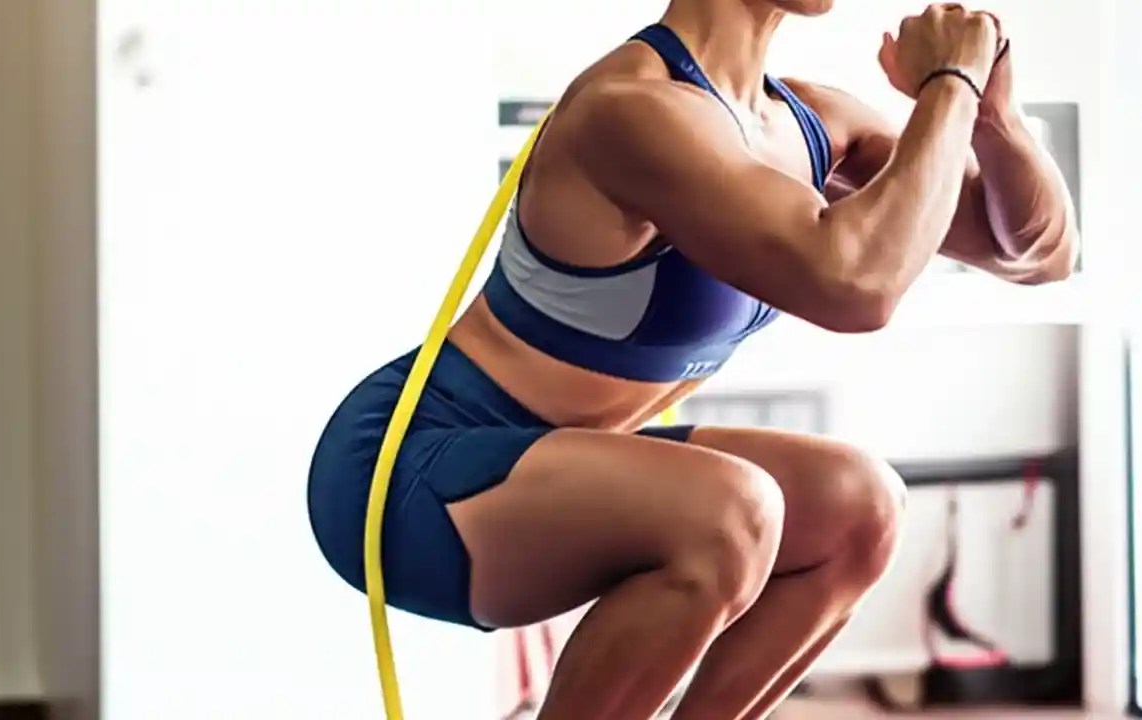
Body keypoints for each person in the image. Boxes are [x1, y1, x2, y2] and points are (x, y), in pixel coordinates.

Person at [307, 0, 1078, 717]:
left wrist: (992, 115)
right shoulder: (630, 110)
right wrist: (949, 85)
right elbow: (857, 287)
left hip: (553, 458)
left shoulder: (810, 123)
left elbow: (1037, 253)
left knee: (861, 508)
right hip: (411, 474)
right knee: (735, 512)